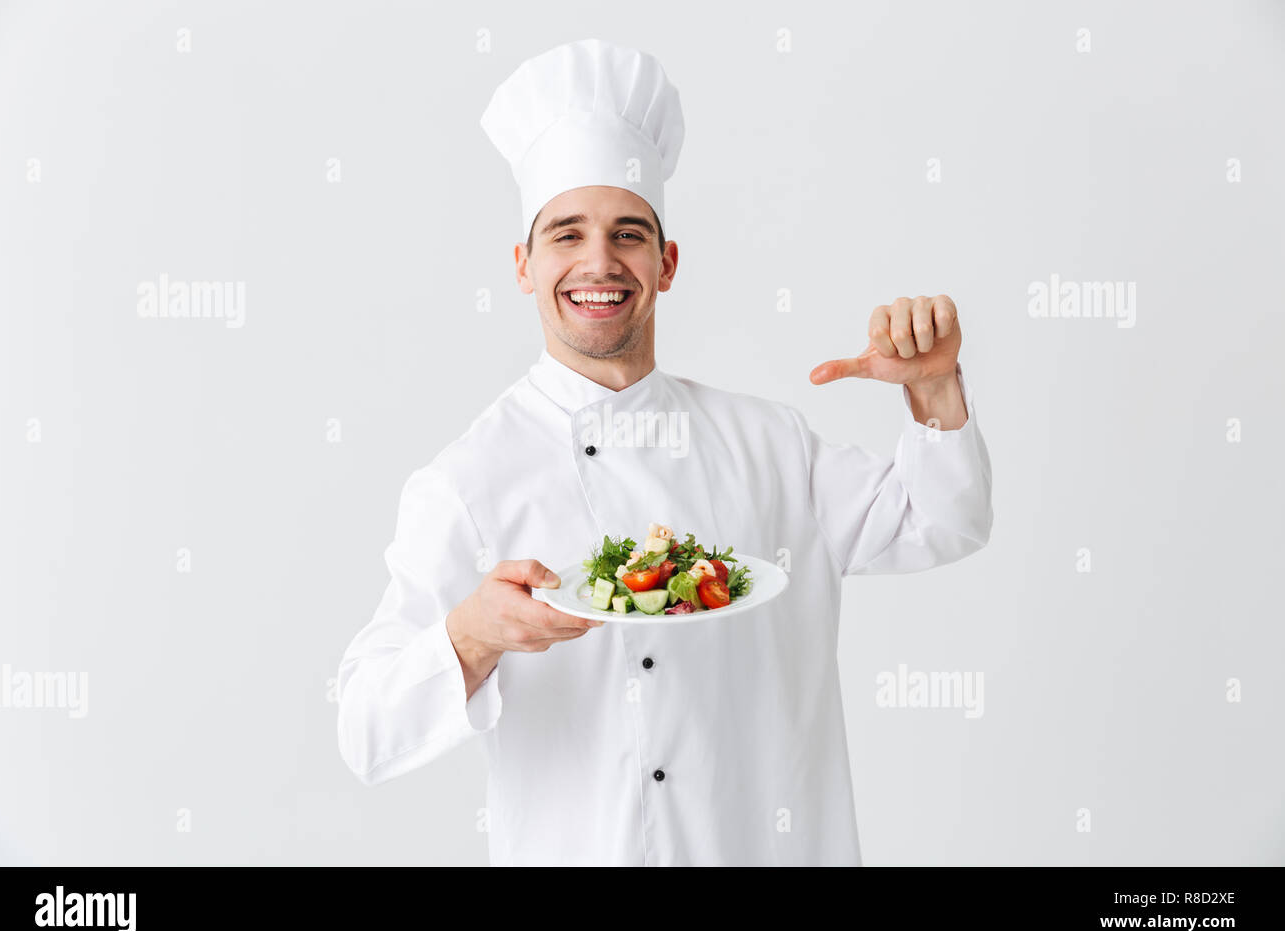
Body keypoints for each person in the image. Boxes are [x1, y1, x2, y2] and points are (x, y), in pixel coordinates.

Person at [336, 37, 992, 866]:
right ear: (523, 266)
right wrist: (471, 636)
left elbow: (948, 523)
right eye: (566, 235)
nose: (599, 262)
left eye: (629, 234)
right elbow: (364, 728)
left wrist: (932, 392)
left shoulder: (771, 444)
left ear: (667, 262)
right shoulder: (466, 481)